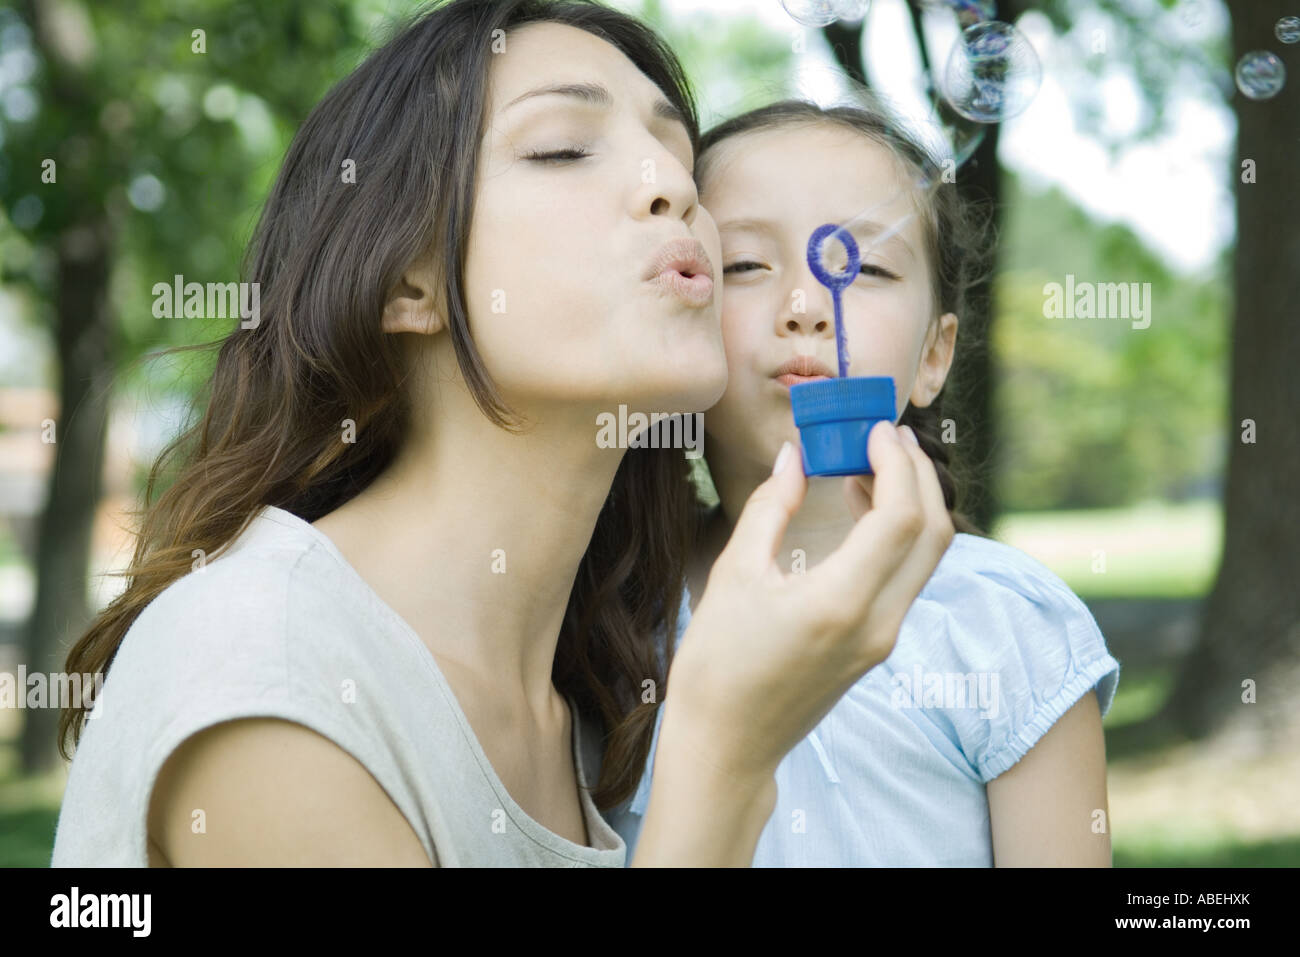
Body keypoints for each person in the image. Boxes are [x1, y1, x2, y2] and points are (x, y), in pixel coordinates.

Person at [49, 1, 951, 867]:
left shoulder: (592, 700)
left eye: (678, 156)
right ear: (409, 281)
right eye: (563, 148)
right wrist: (726, 754)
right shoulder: (268, 667)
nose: (675, 188)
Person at [605, 98, 1122, 866]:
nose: (808, 306)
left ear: (934, 356)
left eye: (867, 267)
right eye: (745, 264)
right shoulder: (611, 619)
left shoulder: (1003, 624)